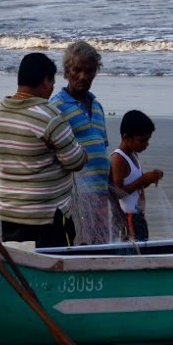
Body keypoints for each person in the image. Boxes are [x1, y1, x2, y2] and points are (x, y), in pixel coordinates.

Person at [0, 52, 87, 248]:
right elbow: (76, 161)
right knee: (54, 266)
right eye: (52, 82)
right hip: (47, 216)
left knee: (20, 266)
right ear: (46, 81)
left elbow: (2, 160)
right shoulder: (50, 117)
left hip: (10, 212)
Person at [51, 40, 112, 244]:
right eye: (77, 70)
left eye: (89, 71)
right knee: (80, 247)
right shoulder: (56, 107)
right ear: (67, 72)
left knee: (101, 247)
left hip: (100, 196)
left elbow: (102, 149)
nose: (83, 76)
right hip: (75, 199)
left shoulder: (97, 106)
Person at [109, 110, 164, 242]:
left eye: (148, 139)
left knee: (142, 247)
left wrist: (149, 179)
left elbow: (135, 184)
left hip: (137, 215)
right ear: (126, 138)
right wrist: (144, 178)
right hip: (127, 217)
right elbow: (118, 192)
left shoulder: (133, 155)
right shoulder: (118, 159)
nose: (146, 144)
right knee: (134, 250)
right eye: (142, 140)